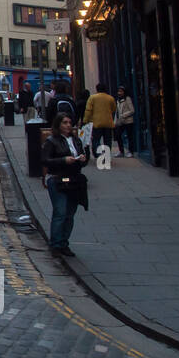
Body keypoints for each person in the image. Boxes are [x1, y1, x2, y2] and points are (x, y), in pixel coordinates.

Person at [42, 112, 88, 257]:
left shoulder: (76, 140)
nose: (68, 125)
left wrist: (83, 159)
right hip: (57, 180)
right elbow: (45, 160)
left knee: (70, 214)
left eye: (69, 122)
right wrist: (63, 160)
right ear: (58, 125)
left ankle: (64, 243)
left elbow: (84, 159)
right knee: (60, 212)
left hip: (73, 180)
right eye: (65, 123)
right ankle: (55, 245)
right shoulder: (51, 141)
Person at [84, 83, 117, 164]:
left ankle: (99, 152)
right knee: (107, 141)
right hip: (108, 122)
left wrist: (85, 120)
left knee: (95, 140)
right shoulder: (110, 98)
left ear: (97, 89)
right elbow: (113, 109)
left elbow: (88, 110)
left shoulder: (93, 98)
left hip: (96, 122)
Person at [115, 86, 135, 157]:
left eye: (121, 91)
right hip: (121, 121)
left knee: (130, 136)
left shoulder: (127, 99)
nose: (119, 93)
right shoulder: (118, 100)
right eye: (118, 91)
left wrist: (123, 115)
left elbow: (132, 110)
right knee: (118, 135)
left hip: (128, 121)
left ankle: (131, 151)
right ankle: (121, 151)